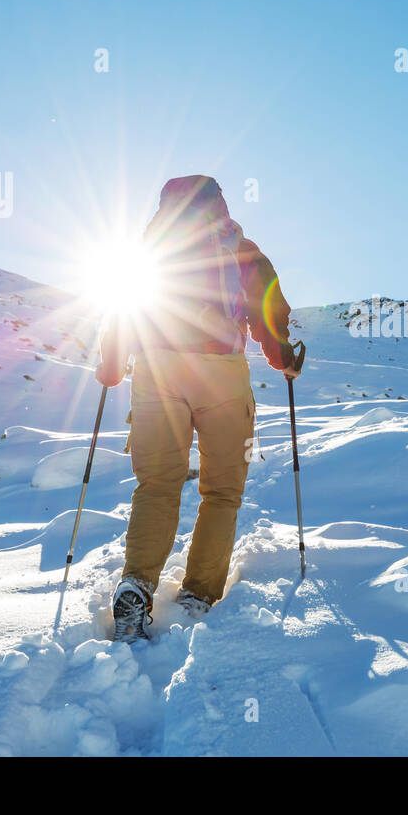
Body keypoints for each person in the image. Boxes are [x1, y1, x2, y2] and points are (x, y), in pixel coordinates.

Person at [95, 175, 298, 641]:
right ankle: (197, 595)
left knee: (156, 485)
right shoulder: (241, 249)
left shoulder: (149, 252)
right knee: (222, 492)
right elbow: (270, 314)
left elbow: (122, 312)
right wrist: (283, 358)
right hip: (221, 374)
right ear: (220, 204)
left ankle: (137, 583)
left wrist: (110, 367)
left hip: (156, 371)